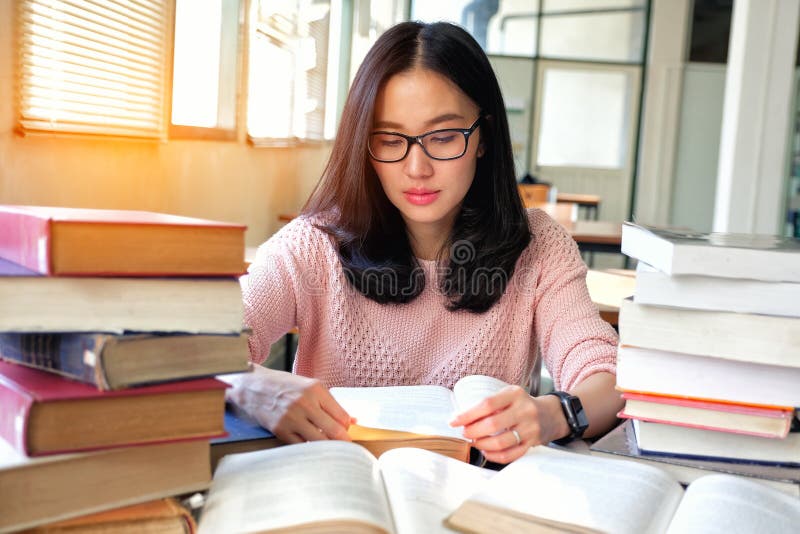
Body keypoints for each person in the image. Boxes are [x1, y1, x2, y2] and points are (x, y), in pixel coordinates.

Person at [229, 21, 623, 464]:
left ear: (483, 138)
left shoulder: (538, 246)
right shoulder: (311, 247)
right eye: (390, 139)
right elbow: (193, 349)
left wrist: (554, 415)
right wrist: (249, 385)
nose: (417, 167)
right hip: (342, 498)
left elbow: (607, 376)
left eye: (443, 137)